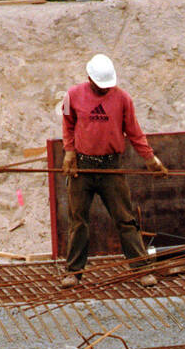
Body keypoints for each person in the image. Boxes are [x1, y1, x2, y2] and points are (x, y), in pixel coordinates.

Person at [59, 53, 168, 288]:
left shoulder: (123, 99)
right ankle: (73, 272)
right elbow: (67, 124)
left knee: (126, 220)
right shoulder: (71, 95)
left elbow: (135, 132)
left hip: (111, 167)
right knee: (78, 221)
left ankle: (141, 269)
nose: (103, 90)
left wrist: (150, 159)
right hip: (83, 167)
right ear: (89, 78)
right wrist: (69, 152)